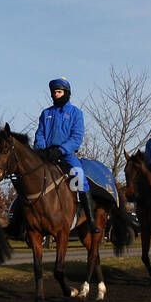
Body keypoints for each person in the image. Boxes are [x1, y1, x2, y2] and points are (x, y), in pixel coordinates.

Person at [33, 77, 98, 233]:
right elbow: (40, 133)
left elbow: (76, 138)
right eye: (54, 92)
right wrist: (42, 149)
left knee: (79, 177)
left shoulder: (76, 113)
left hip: (66, 155)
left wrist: (60, 150)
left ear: (66, 93)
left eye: (59, 92)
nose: (56, 95)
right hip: (47, 155)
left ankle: (90, 220)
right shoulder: (46, 113)